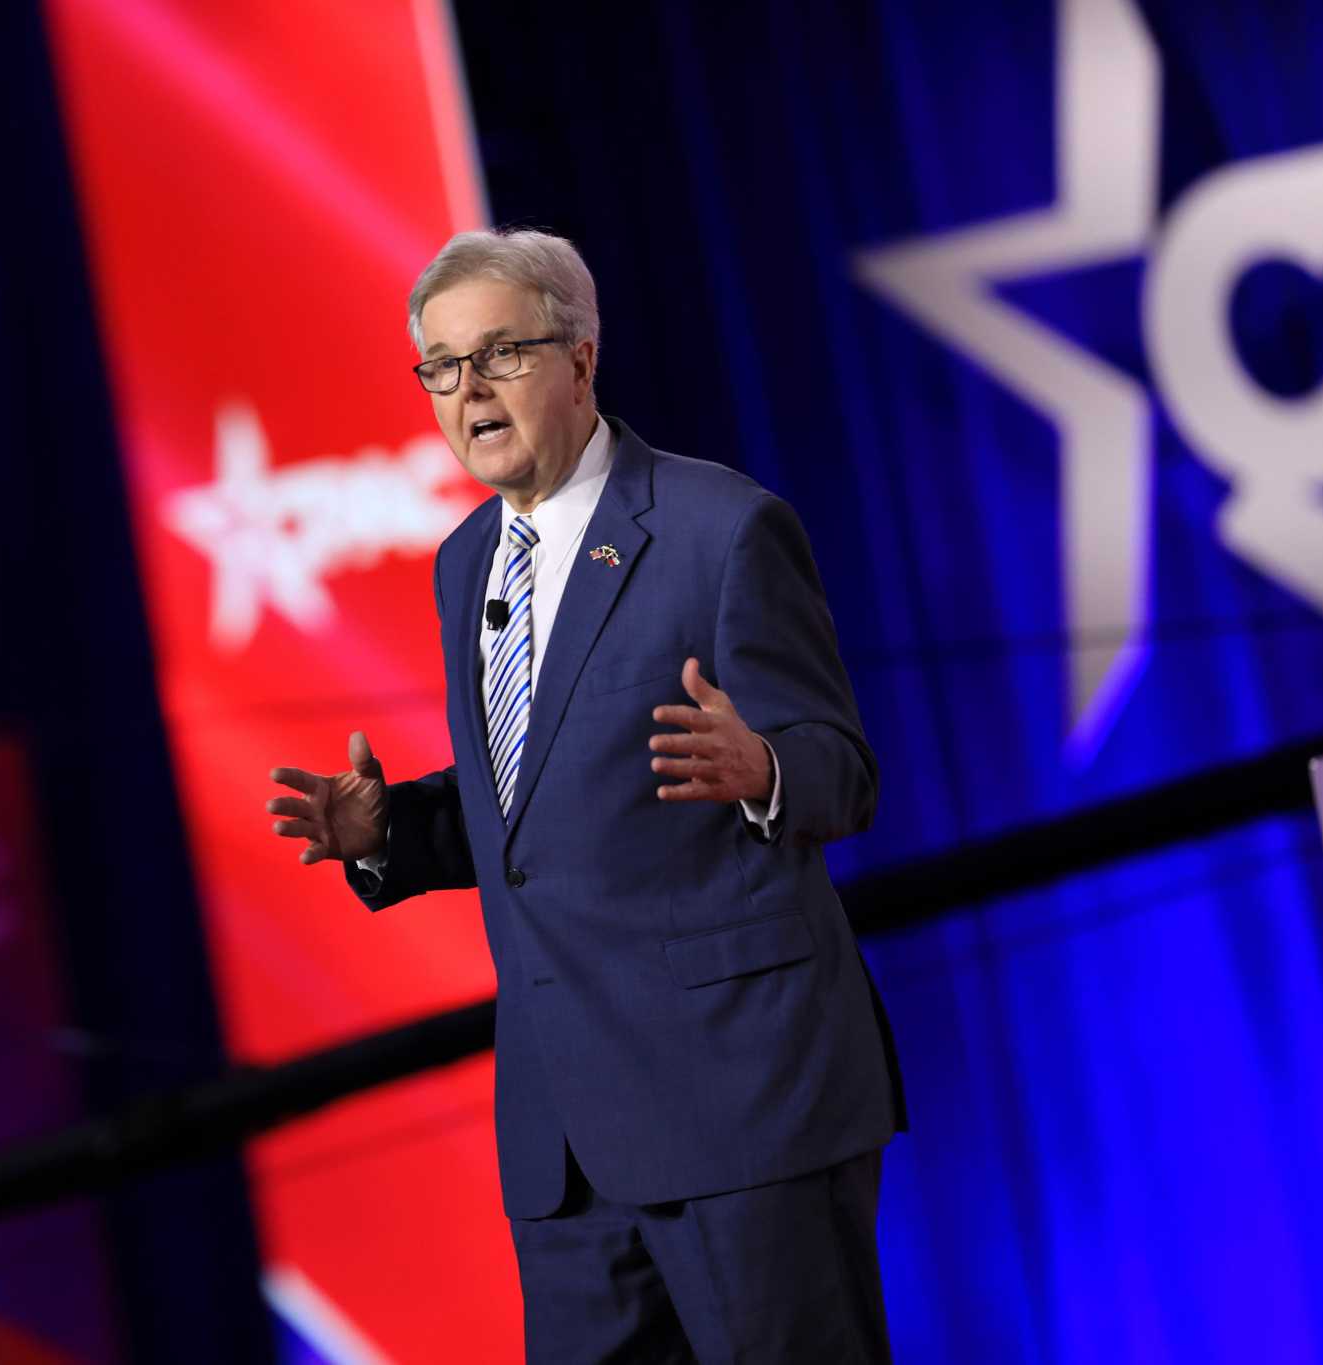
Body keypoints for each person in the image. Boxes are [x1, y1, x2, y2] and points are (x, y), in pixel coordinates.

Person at [265, 229, 904, 1362]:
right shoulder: (463, 561)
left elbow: (839, 769)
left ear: (580, 360)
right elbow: (536, 800)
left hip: (742, 1103)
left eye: (500, 353)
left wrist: (761, 767)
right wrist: (391, 832)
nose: (468, 391)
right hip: (564, 1141)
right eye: (441, 367)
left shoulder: (716, 530)